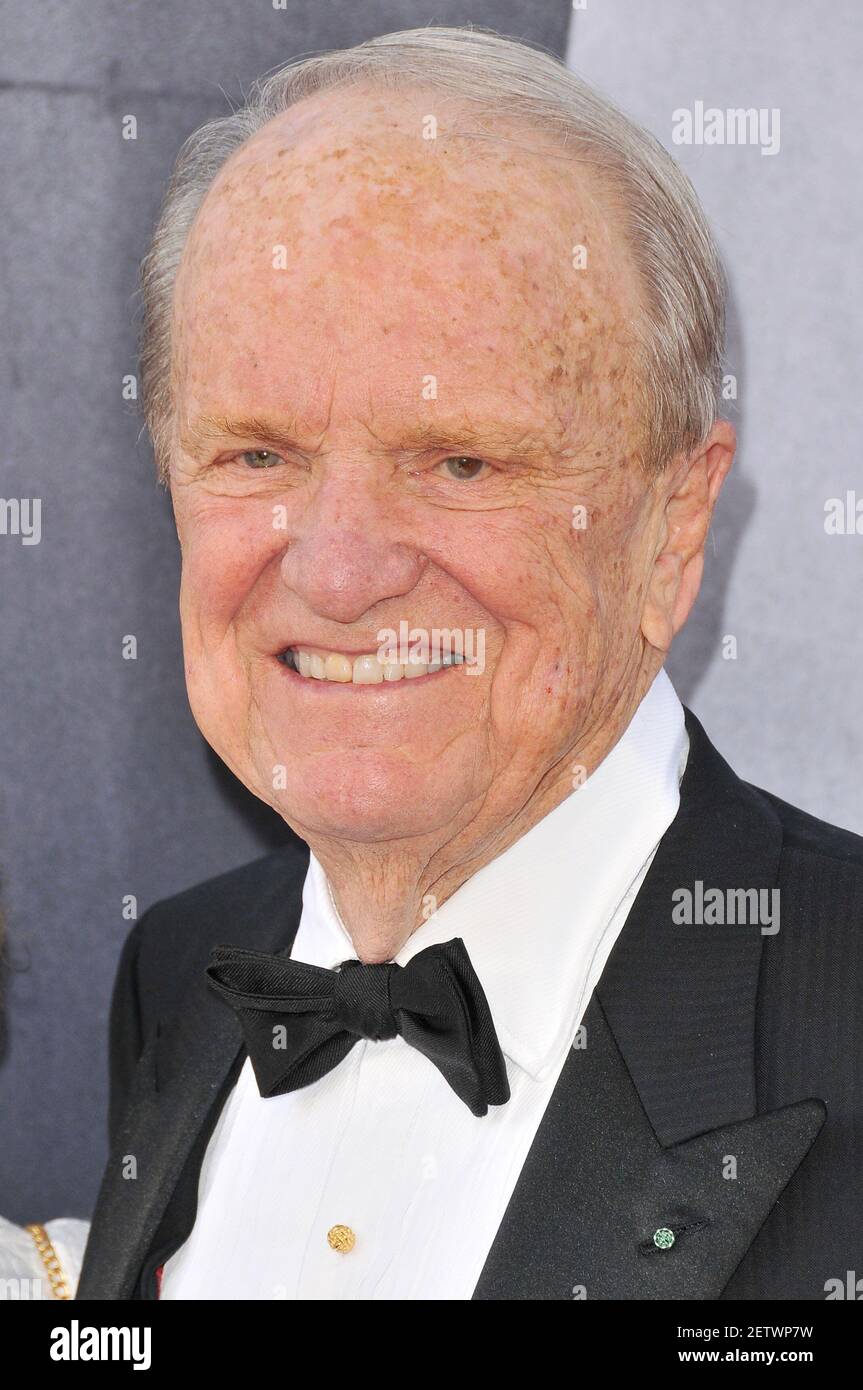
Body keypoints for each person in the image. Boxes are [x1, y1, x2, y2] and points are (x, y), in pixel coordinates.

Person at [78, 26, 862, 1300]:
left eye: (459, 462)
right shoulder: (179, 973)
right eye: (255, 455)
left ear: (671, 531)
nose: (336, 572)